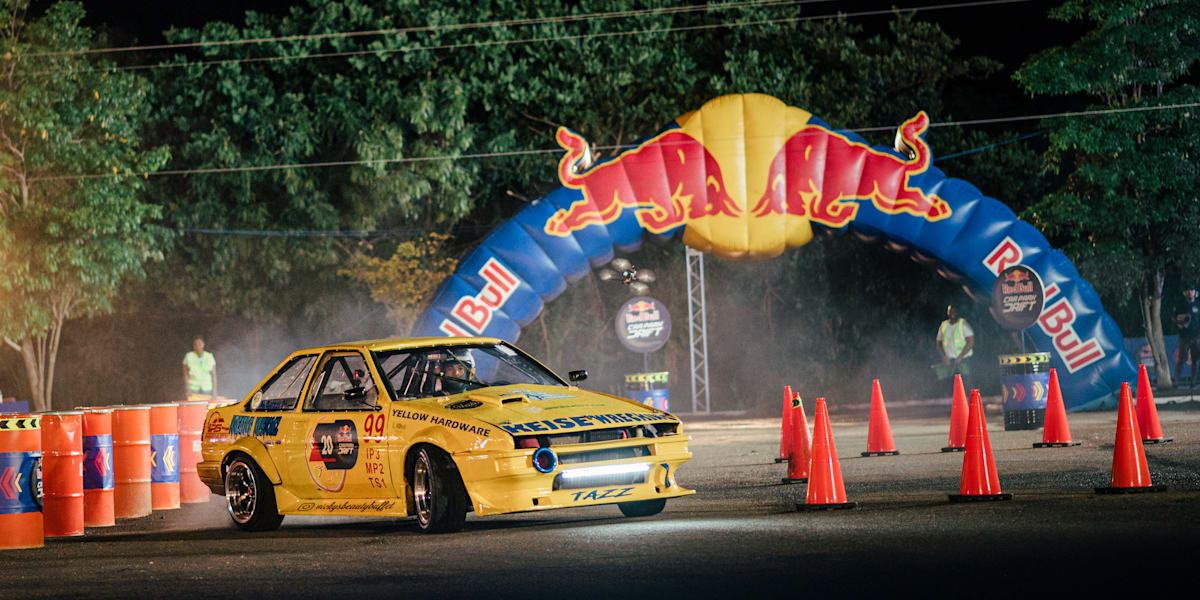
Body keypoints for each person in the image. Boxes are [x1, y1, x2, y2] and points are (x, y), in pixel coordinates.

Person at [936, 304, 974, 380]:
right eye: (950, 311)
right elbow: (938, 343)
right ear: (948, 313)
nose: (953, 313)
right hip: (949, 361)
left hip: (963, 360)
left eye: (955, 311)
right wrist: (944, 356)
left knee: (965, 382)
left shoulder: (962, 323)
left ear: (958, 312)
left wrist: (960, 357)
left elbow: (970, 342)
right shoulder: (943, 325)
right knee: (950, 383)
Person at [1173, 283, 1200, 388]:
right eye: (1188, 290)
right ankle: (1176, 382)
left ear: (1195, 292)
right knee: (1181, 359)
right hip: (1184, 336)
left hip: (1196, 336)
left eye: (1192, 290)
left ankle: (1193, 383)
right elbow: (1174, 317)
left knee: (1195, 360)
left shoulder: (1197, 304)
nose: (1190, 292)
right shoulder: (1181, 305)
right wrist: (1179, 323)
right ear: (1185, 292)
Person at [183, 335, 217, 401]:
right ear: (194, 346)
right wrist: (187, 389)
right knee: (194, 406)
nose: (198, 346)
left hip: (207, 389)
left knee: (207, 406)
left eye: (199, 344)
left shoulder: (210, 356)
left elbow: (214, 375)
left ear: (203, 344)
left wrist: (214, 391)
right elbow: (185, 375)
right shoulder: (188, 356)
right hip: (193, 389)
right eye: (196, 344)